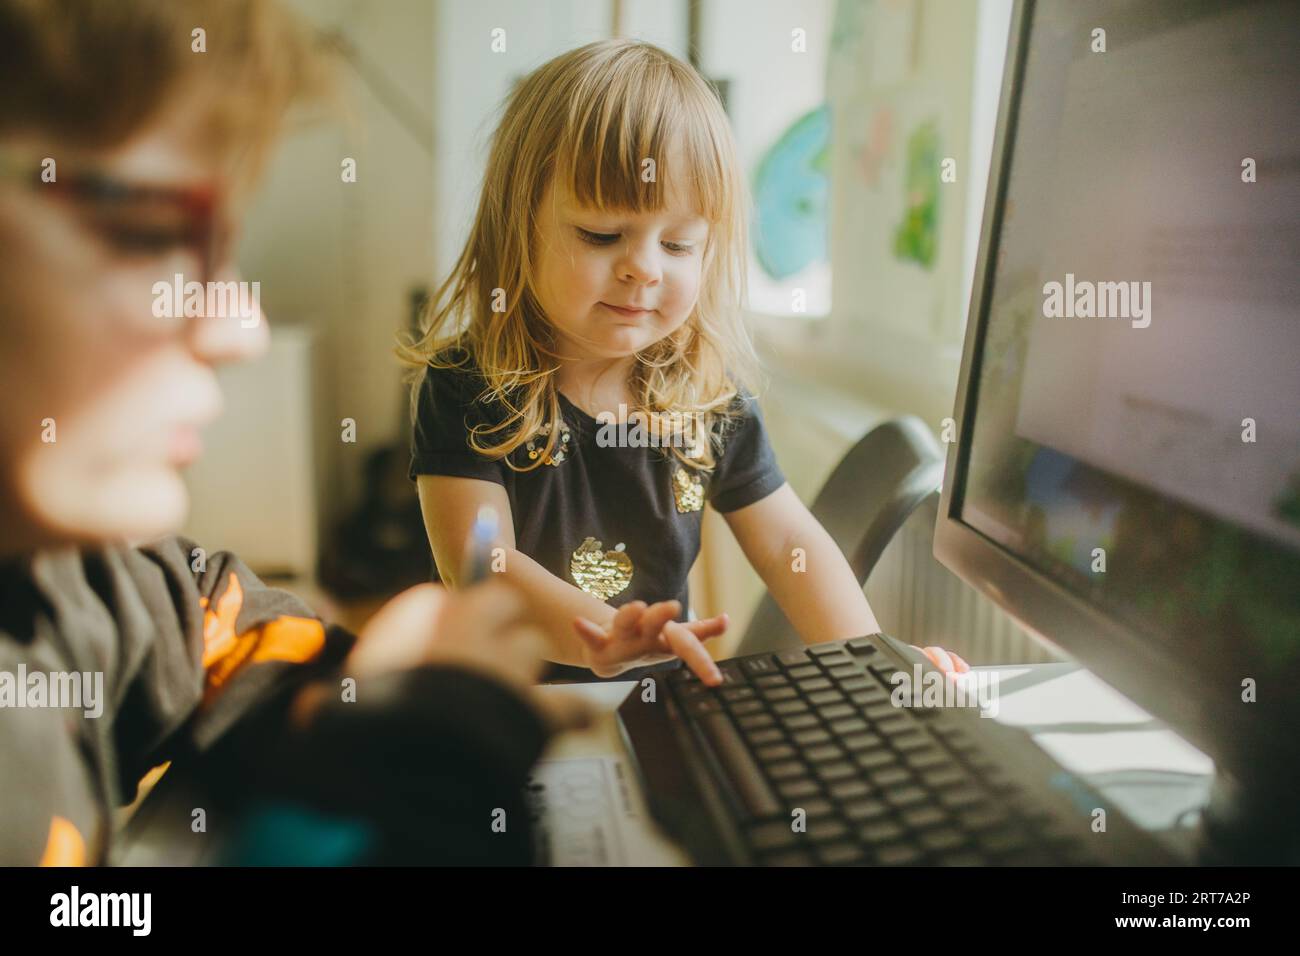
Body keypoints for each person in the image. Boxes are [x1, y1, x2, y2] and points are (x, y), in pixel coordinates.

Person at [0, 0, 588, 866]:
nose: (238, 329)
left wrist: (360, 692)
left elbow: (214, 625)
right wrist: (370, 779)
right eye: (157, 233)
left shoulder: (78, 575)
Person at [402, 39, 970, 684]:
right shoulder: (465, 387)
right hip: (492, 712)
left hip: (652, 715)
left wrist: (875, 664)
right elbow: (480, 565)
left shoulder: (710, 399)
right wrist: (599, 637)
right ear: (516, 225)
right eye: (601, 234)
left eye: (678, 243)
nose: (643, 267)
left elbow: (791, 547)